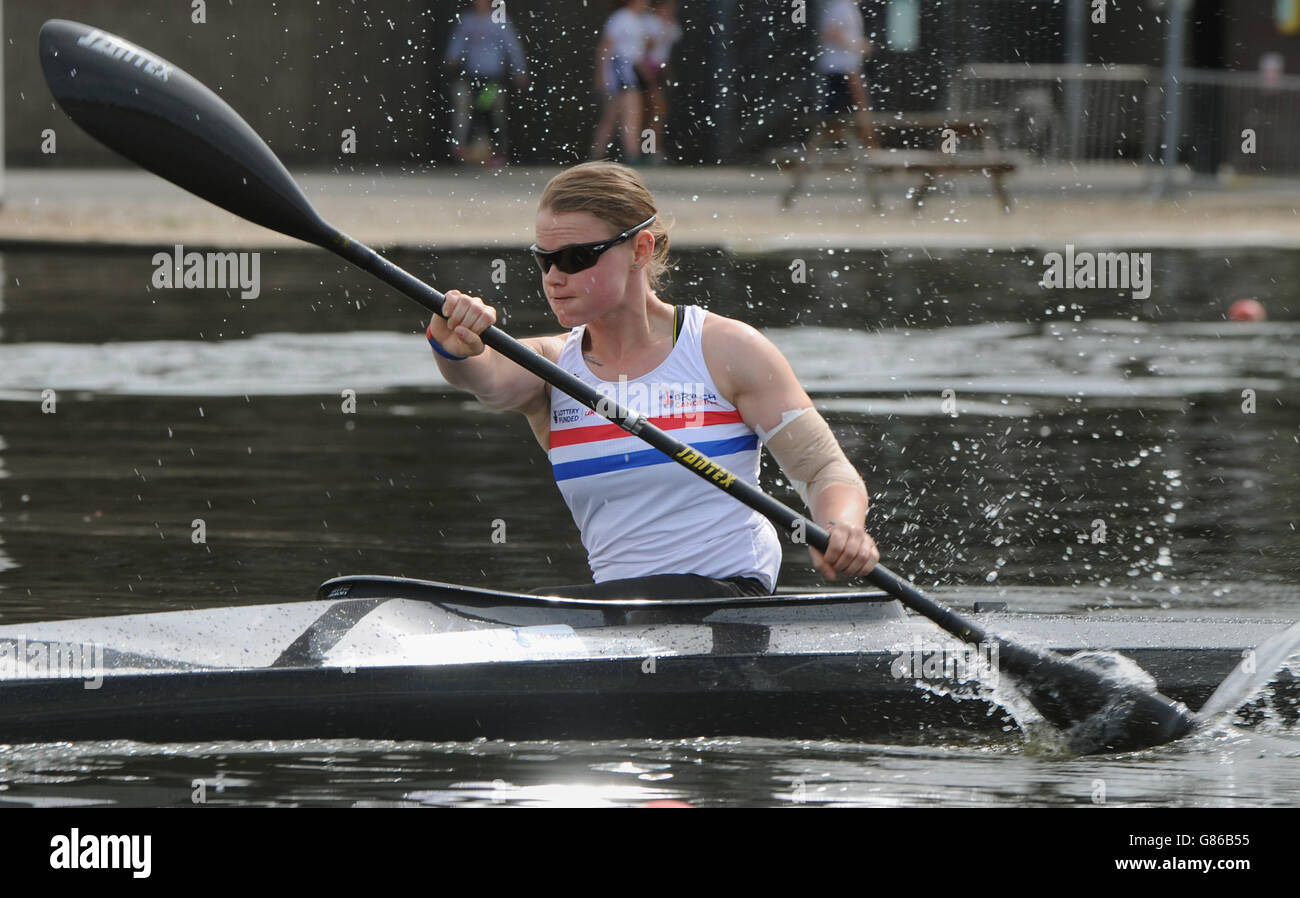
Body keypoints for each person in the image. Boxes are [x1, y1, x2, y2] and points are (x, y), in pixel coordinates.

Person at [425, 162, 880, 599]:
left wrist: (842, 527)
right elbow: (483, 377)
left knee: (550, 609)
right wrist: (453, 342)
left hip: (730, 597)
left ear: (640, 250)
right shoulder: (550, 366)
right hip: (622, 611)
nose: (555, 277)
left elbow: (821, 469)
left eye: (576, 257)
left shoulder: (726, 350)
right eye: (544, 260)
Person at [444, 0, 529, 167]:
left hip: (493, 77)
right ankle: (485, 149)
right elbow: (459, 41)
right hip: (473, 75)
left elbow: (512, 46)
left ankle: (473, 146)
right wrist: (452, 57)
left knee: (483, 107)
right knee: (480, 110)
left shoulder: (499, 20)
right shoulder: (468, 20)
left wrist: (520, 70)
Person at [589, 0, 651, 164]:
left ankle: (597, 154)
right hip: (620, 69)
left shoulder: (637, 20)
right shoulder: (620, 18)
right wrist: (602, 74)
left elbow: (636, 52)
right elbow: (606, 47)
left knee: (612, 116)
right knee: (632, 112)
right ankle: (632, 154)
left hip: (629, 69)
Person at [811, 0, 877, 151]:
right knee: (860, 106)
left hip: (845, 66)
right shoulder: (841, 7)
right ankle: (871, 147)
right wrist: (858, 45)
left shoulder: (846, 7)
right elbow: (831, 34)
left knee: (838, 114)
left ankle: (868, 146)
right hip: (842, 67)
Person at [640, 0, 682, 163]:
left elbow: (664, 52)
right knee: (657, 111)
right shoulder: (650, 22)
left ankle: (648, 148)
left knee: (654, 112)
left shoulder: (671, 25)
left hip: (658, 69)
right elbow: (647, 48)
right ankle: (649, 149)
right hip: (648, 70)